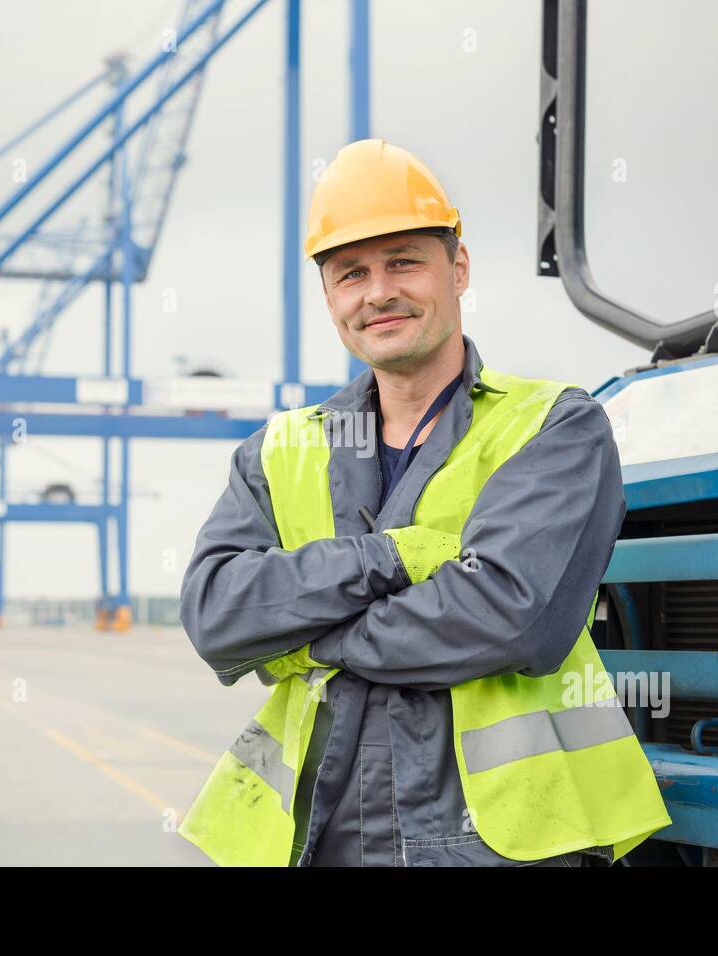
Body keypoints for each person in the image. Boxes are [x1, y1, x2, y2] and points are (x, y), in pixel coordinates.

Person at [176, 139, 671, 867]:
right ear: (330, 299)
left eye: (403, 262)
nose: (378, 292)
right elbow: (217, 613)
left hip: (501, 843)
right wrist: (389, 558)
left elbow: (513, 619)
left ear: (458, 268)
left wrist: (310, 641)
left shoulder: (551, 426)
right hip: (321, 839)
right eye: (352, 274)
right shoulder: (279, 451)